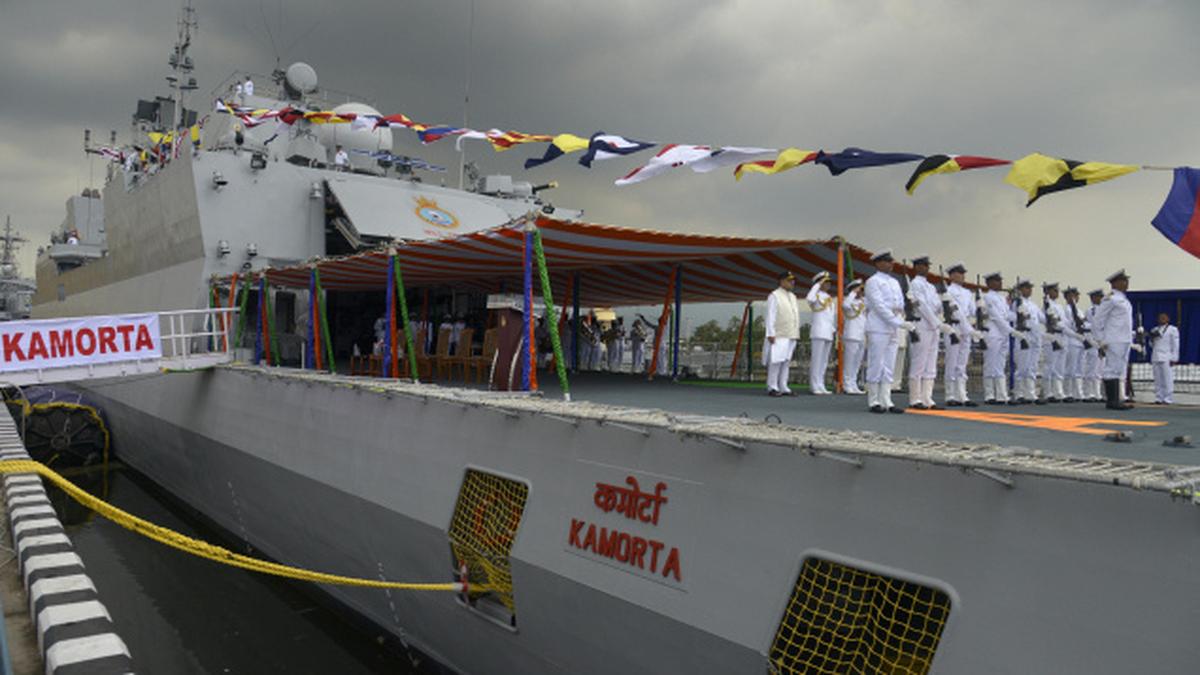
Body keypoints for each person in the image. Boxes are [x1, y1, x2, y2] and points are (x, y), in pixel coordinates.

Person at [864, 250, 911, 413]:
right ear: (878, 263)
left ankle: (887, 400)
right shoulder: (873, 281)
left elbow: (900, 303)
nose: (891, 264)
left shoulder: (894, 282)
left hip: (893, 326)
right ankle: (874, 400)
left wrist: (900, 319)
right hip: (878, 326)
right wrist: (898, 322)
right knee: (876, 363)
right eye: (887, 261)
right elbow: (878, 306)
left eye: (891, 261)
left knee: (889, 364)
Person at [905, 256, 951, 410]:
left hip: (933, 327)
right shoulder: (915, 284)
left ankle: (927, 398)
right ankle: (915, 399)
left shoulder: (931, 287)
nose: (925, 268)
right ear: (916, 267)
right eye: (921, 265)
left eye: (926, 265)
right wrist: (937, 323)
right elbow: (922, 306)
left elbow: (936, 306)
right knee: (919, 362)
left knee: (931, 364)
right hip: (922, 325)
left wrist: (944, 301)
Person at [1092, 269, 1138, 410]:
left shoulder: (1123, 299)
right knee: (1111, 369)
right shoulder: (1110, 299)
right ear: (1115, 283)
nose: (1126, 283)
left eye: (1126, 280)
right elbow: (1098, 320)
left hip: (1124, 339)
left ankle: (1117, 399)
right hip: (1113, 339)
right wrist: (1100, 340)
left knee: (1119, 369)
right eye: (1123, 281)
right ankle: (1112, 401)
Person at [942, 262, 977, 407]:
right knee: (952, 361)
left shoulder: (968, 293)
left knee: (962, 363)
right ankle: (950, 394)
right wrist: (969, 328)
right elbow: (956, 312)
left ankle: (962, 394)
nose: (962, 276)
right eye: (959, 273)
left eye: (963, 273)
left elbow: (972, 311)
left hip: (966, 328)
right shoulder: (948, 291)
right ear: (951, 276)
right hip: (954, 327)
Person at [763, 271, 801, 396]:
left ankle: (783, 386)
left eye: (793, 280)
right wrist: (770, 333)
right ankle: (772, 386)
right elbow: (771, 315)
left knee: (786, 362)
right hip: (779, 333)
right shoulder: (774, 295)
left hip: (791, 333)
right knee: (776, 361)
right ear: (782, 281)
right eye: (789, 280)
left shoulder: (793, 296)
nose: (792, 283)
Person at [981, 272, 1015, 404]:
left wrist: (1019, 312)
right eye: (996, 281)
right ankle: (989, 395)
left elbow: (1007, 315)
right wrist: (1011, 330)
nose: (1000, 283)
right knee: (990, 363)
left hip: (1003, 334)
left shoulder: (1001, 298)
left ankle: (1001, 395)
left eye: (1000, 280)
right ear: (989, 283)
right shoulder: (987, 297)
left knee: (1000, 364)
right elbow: (995, 317)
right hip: (993, 332)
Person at [1011, 279, 1044, 405]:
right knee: (1022, 366)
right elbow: (1014, 317)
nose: (1029, 290)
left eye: (1030, 288)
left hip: (1035, 336)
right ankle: (1019, 393)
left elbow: (1042, 318)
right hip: (1023, 336)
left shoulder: (1033, 304)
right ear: (1020, 290)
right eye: (1026, 288)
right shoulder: (1017, 303)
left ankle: (1030, 393)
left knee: (1032, 366)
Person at [805, 271, 836, 395]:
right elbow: (809, 299)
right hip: (818, 331)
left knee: (824, 361)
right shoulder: (815, 295)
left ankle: (820, 384)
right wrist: (817, 285)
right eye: (825, 282)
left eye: (828, 282)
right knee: (816, 360)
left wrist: (833, 330)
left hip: (828, 331)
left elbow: (830, 316)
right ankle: (814, 385)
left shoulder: (828, 297)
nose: (828, 284)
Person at [1040, 282, 1069, 402]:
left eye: (1057, 290)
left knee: (1059, 367)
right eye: (1054, 290)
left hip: (1062, 336)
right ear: (1048, 292)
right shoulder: (1046, 306)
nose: (1057, 293)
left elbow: (1065, 322)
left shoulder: (1059, 306)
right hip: (1052, 337)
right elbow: (1050, 321)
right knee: (1050, 365)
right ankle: (1048, 392)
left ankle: (1058, 391)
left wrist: (1062, 325)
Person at [1061, 287, 1088, 402]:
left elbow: (1083, 324)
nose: (1075, 297)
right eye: (1072, 295)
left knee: (1079, 368)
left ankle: (1078, 392)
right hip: (1072, 341)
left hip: (1080, 342)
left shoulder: (1079, 310)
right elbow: (1069, 326)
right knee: (1070, 368)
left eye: (1076, 295)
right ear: (1067, 297)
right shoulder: (1067, 310)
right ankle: (1068, 392)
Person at [841, 278, 866, 395]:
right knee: (849, 362)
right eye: (859, 289)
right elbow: (845, 305)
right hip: (852, 334)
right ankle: (847, 384)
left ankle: (853, 383)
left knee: (857, 362)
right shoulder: (849, 301)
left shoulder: (863, 302)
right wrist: (853, 293)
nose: (861, 291)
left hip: (861, 334)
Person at [1082, 289, 1106, 402]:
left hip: (1101, 341)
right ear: (1093, 298)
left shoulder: (1104, 309)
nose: (1101, 299)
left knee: (1099, 369)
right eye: (1099, 297)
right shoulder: (1091, 310)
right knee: (1092, 368)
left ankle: (1097, 393)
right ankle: (1088, 393)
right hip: (1093, 341)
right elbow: (1089, 325)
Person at [1151, 312, 1180, 404]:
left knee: (1167, 378)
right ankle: (1159, 397)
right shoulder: (1155, 329)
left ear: (1168, 319)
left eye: (1164, 317)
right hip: (1156, 356)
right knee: (1158, 379)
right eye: (1160, 318)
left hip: (1167, 356)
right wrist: (1152, 338)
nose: (1162, 319)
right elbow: (1152, 344)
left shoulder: (1173, 329)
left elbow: (1175, 344)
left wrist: (1174, 358)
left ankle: (1168, 398)